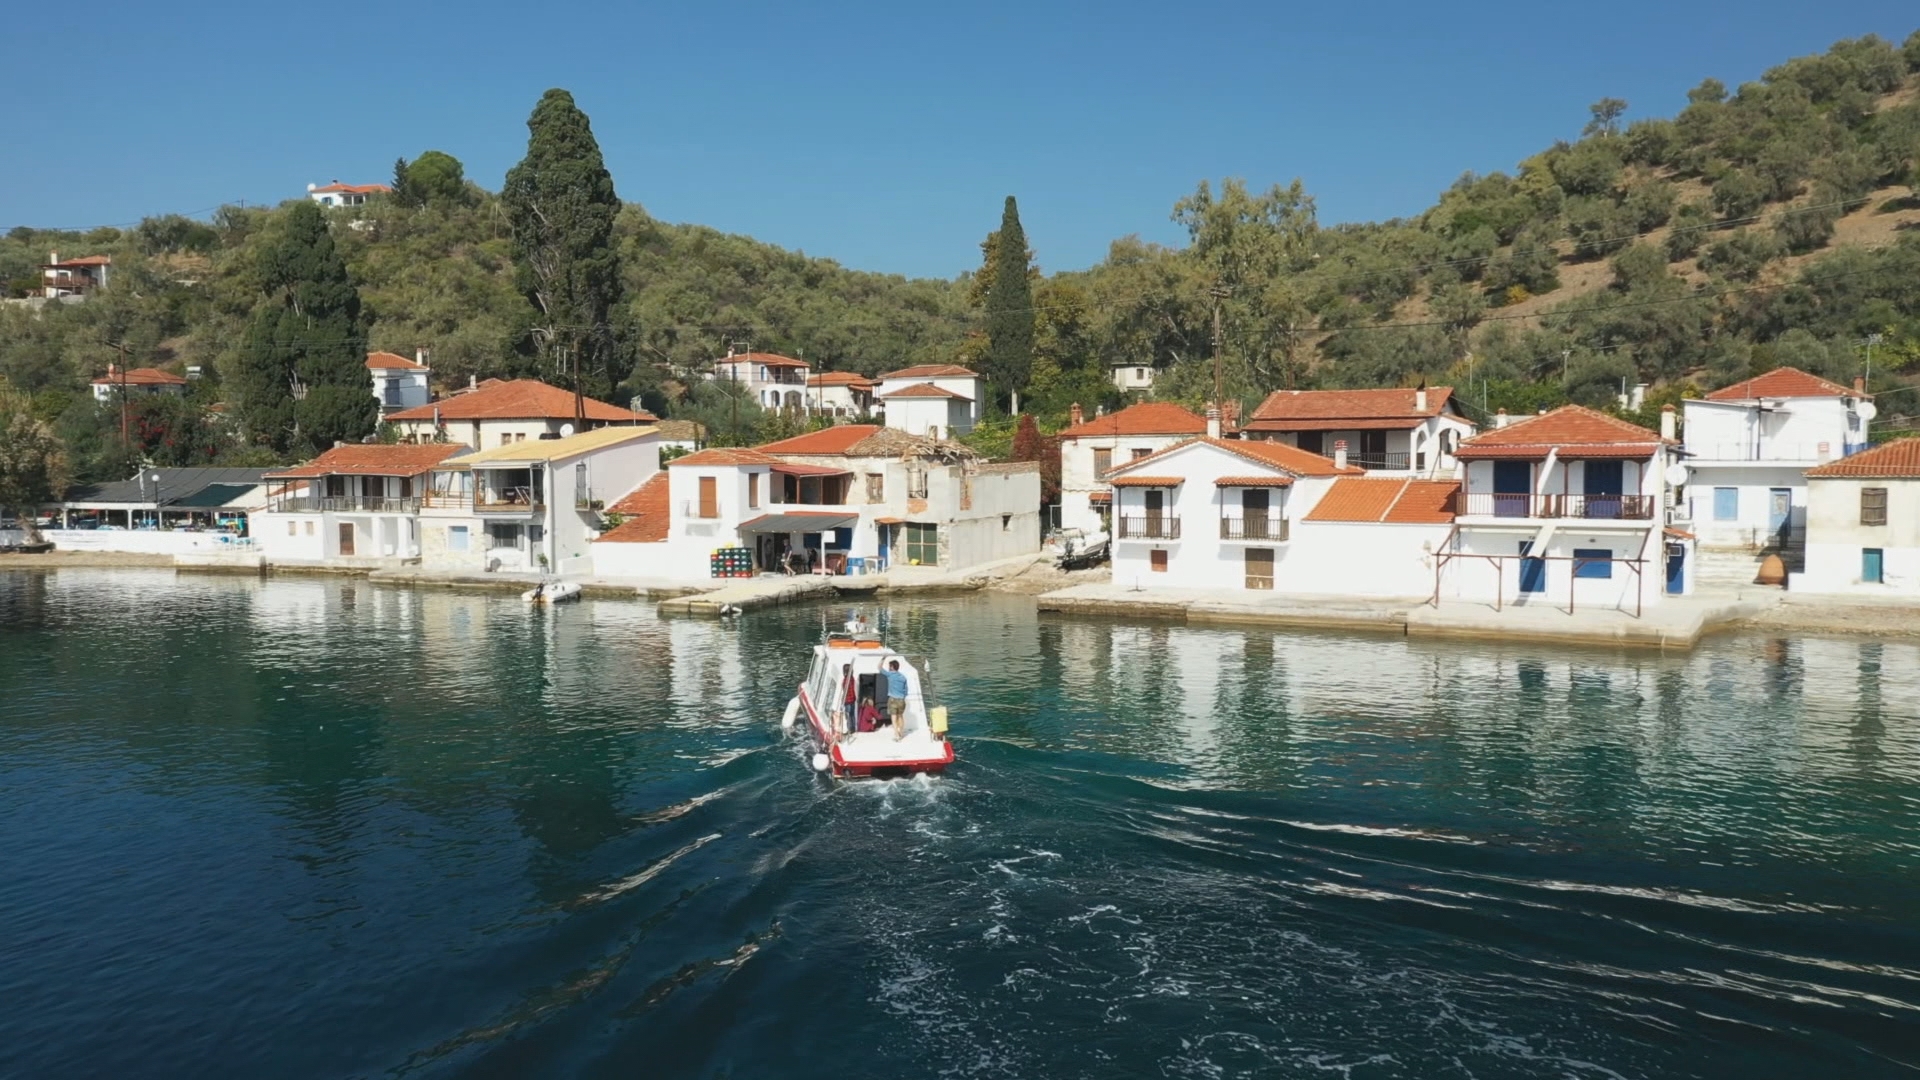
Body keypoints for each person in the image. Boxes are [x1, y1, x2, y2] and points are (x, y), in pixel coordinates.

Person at [884, 659, 910, 740]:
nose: (888, 668)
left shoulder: (890, 674)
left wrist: (882, 658)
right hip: (901, 700)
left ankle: (896, 733)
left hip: (893, 699)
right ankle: (901, 733)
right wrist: (902, 697)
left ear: (892, 667)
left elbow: (879, 668)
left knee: (894, 717)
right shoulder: (903, 677)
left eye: (889, 666)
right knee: (900, 716)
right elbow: (906, 691)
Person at [841, 663, 858, 733]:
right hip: (852, 700)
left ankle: (849, 729)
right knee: (852, 714)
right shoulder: (852, 678)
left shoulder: (845, 680)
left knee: (847, 715)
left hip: (847, 701)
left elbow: (844, 690)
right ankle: (853, 728)